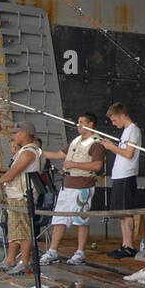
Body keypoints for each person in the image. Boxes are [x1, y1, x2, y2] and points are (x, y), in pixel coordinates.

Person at [40, 112, 105, 265]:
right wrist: (38, 152)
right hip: (67, 184)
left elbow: (97, 166)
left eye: (82, 122)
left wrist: (74, 164)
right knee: (60, 218)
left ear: (90, 124)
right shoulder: (76, 140)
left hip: (82, 185)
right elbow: (59, 154)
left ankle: (80, 252)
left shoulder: (96, 143)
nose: (78, 125)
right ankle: (53, 250)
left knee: (80, 219)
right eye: (78, 121)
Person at [0, 123, 43, 276]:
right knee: (13, 231)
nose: (14, 136)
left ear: (24, 134)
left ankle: (24, 262)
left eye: (16, 133)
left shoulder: (28, 152)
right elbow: (15, 170)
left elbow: (13, 173)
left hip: (22, 197)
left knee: (24, 231)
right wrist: (1, 171)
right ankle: (10, 260)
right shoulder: (23, 152)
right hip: (14, 196)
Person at [100, 103, 141, 259]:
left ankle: (129, 245)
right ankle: (125, 244)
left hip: (126, 175)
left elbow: (129, 153)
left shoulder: (133, 130)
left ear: (122, 115)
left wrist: (112, 147)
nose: (113, 123)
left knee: (127, 211)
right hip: (119, 175)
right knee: (122, 213)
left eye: (114, 120)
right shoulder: (126, 131)